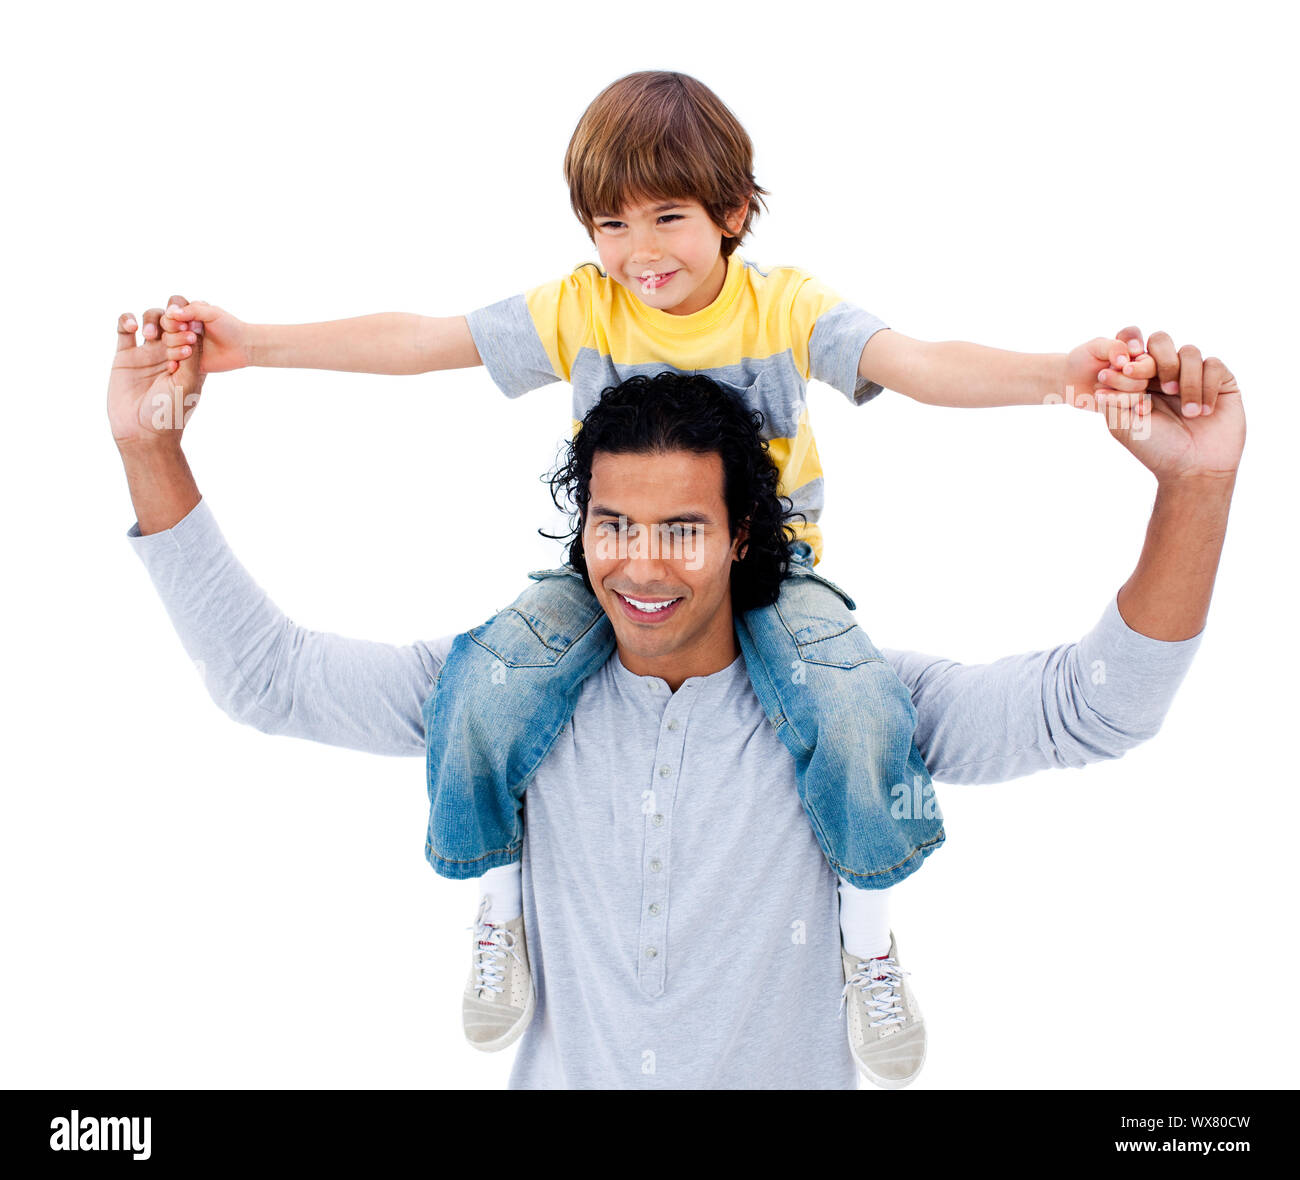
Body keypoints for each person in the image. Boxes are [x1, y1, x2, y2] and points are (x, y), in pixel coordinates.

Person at [152, 70, 1182, 1068]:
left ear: (735, 209)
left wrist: (1062, 377)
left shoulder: (783, 308)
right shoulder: (583, 305)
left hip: (774, 578)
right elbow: (424, 339)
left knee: (858, 712)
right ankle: (498, 912)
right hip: (598, 575)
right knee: (485, 683)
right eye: (610, 224)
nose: (637, 252)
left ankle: (867, 940)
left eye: (666, 218)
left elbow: (916, 363)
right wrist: (258, 346)